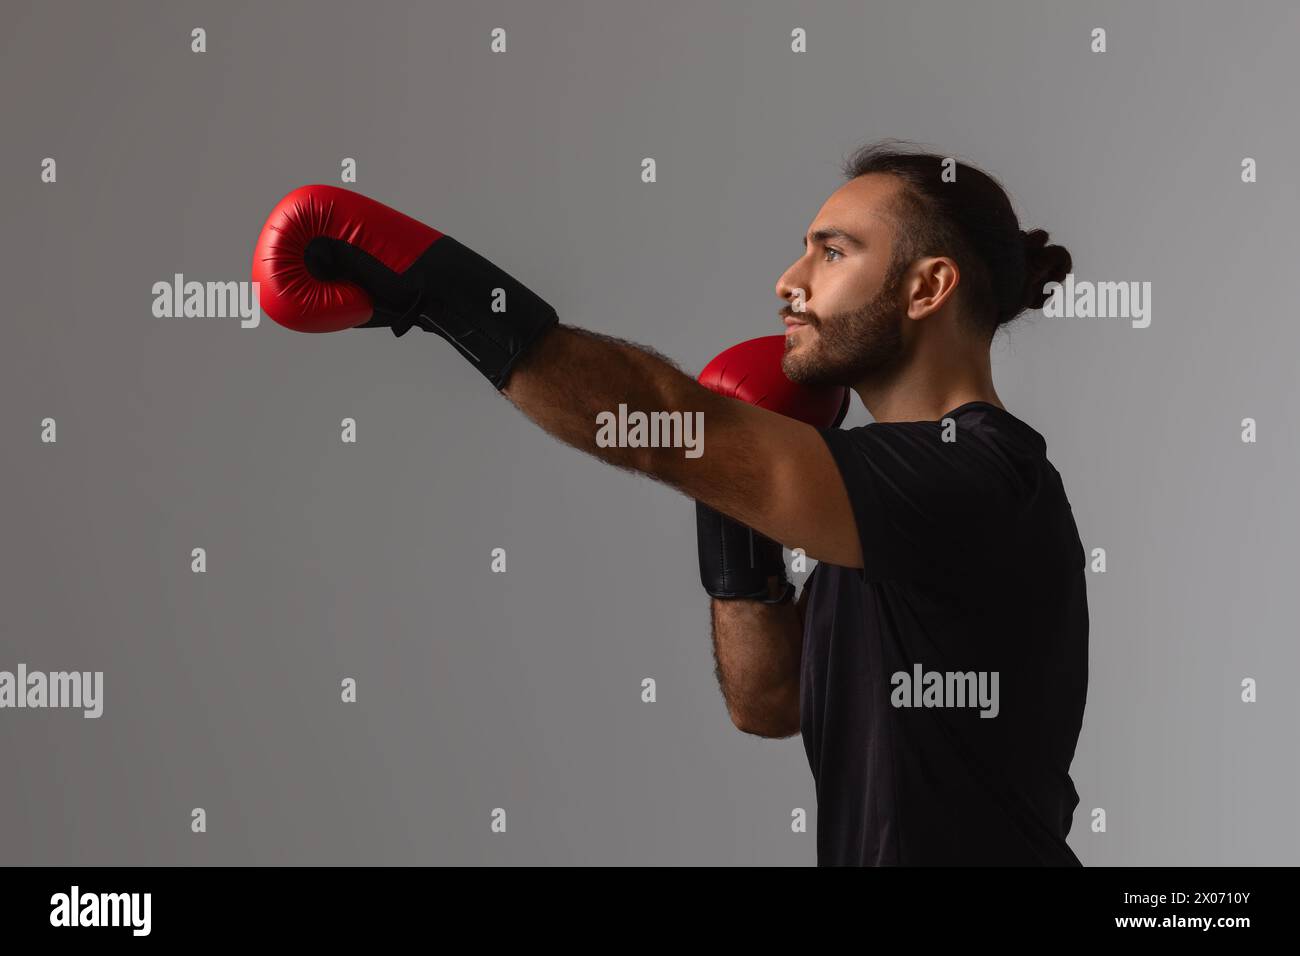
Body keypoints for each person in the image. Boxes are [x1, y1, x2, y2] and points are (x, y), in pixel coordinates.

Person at [252, 139, 1088, 866]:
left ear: (926, 287)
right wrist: (732, 493)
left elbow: (658, 427)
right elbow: (770, 701)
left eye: (833, 253)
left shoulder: (976, 476)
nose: (789, 282)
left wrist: (441, 290)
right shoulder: (880, 499)